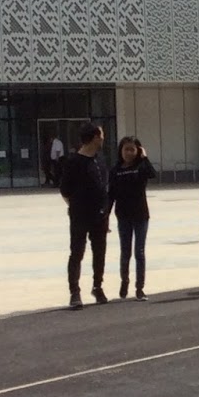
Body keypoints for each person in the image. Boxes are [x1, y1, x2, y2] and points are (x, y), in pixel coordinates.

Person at [59, 123, 111, 308]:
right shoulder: (73, 162)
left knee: (100, 253)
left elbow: (104, 188)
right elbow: (65, 190)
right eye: (102, 134)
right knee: (77, 253)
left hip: (100, 216)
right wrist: (75, 206)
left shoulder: (100, 159)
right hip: (80, 216)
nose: (104, 138)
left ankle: (97, 286)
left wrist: (106, 213)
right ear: (96, 137)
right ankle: (75, 291)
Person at [108, 136, 156, 301]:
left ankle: (140, 288)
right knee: (125, 252)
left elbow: (152, 174)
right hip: (123, 215)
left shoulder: (141, 167)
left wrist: (145, 157)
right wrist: (105, 216)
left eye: (132, 149)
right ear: (120, 151)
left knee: (139, 252)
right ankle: (124, 281)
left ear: (138, 151)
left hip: (141, 215)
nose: (128, 153)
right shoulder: (116, 171)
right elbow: (111, 195)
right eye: (125, 149)